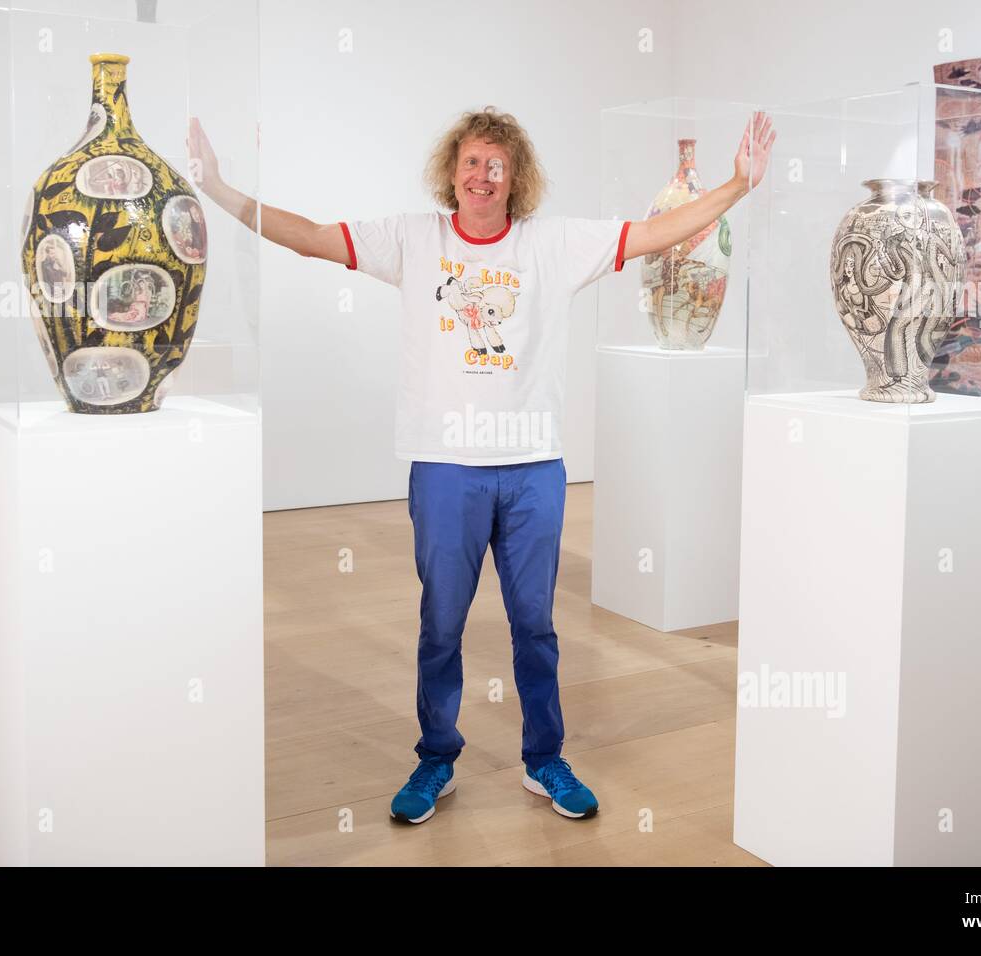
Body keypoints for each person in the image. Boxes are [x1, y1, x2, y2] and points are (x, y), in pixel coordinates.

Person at [188, 106, 774, 825]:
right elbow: (309, 238)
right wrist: (216, 186)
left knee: (535, 624)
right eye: (472, 162)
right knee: (441, 623)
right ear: (452, 171)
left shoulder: (552, 245)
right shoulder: (412, 239)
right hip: (445, 467)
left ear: (515, 176)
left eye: (497, 164)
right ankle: (436, 756)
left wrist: (739, 185)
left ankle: (545, 758)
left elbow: (655, 232)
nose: (483, 175)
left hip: (532, 468)